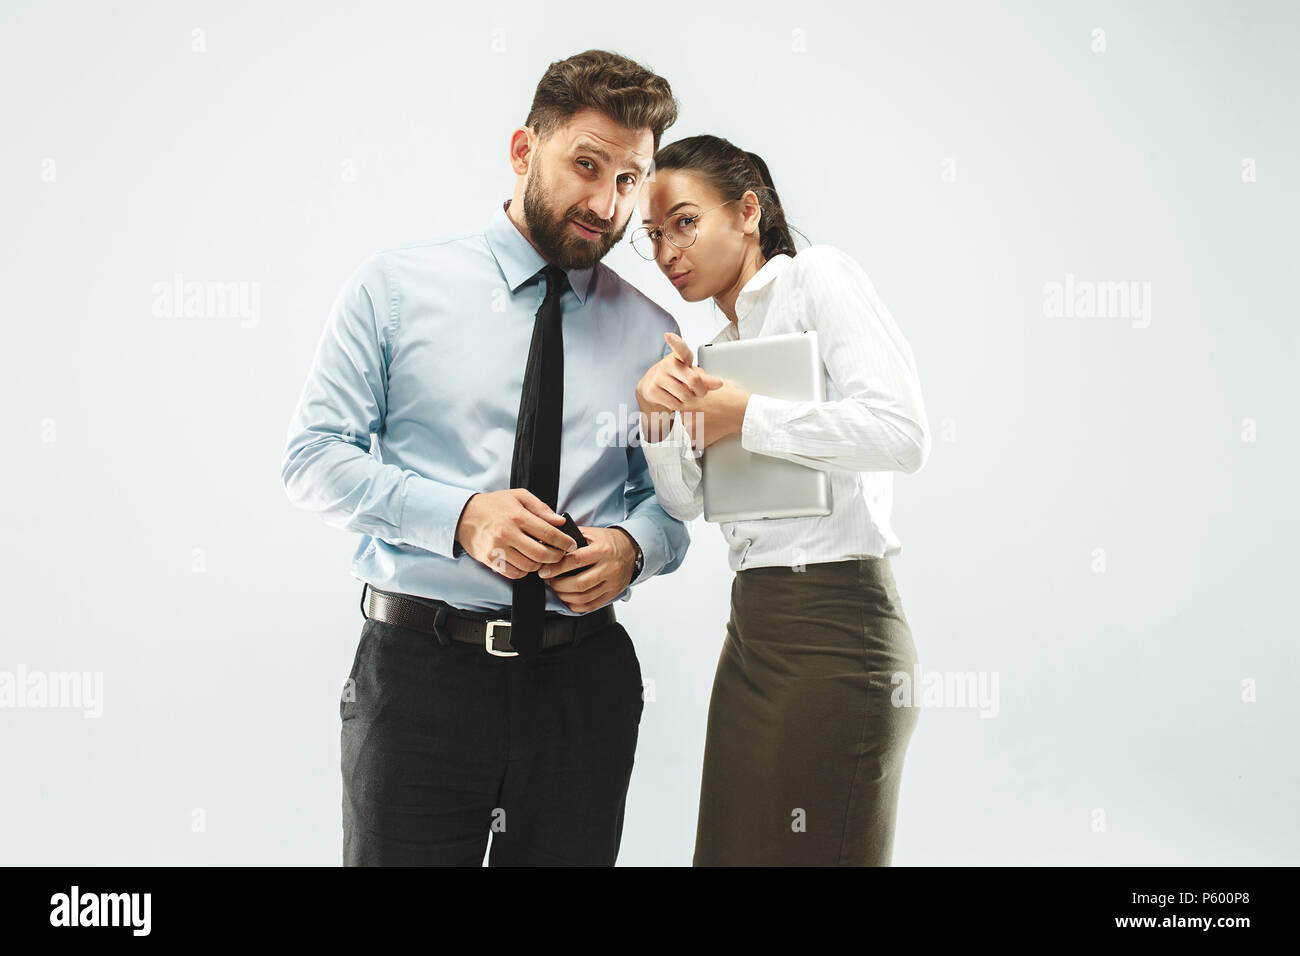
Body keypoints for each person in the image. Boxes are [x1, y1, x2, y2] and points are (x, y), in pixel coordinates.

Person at [279, 50, 690, 866]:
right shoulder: (394, 289)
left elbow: (674, 502)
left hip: (584, 685)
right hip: (420, 679)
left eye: (628, 181)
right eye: (586, 165)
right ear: (521, 150)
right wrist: (461, 518)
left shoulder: (653, 331)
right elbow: (313, 459)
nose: (605, 203)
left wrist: (634, 549)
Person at [625, 134, 931, 865]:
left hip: (837, 633)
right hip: (753, 637)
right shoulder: (715, 350)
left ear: (748, 211)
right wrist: (658, 421)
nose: (668, 251)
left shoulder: (815, 279)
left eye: (685, 223)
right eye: (654, 235)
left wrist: (746, 416)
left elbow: (903, 434)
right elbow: (689, 502)